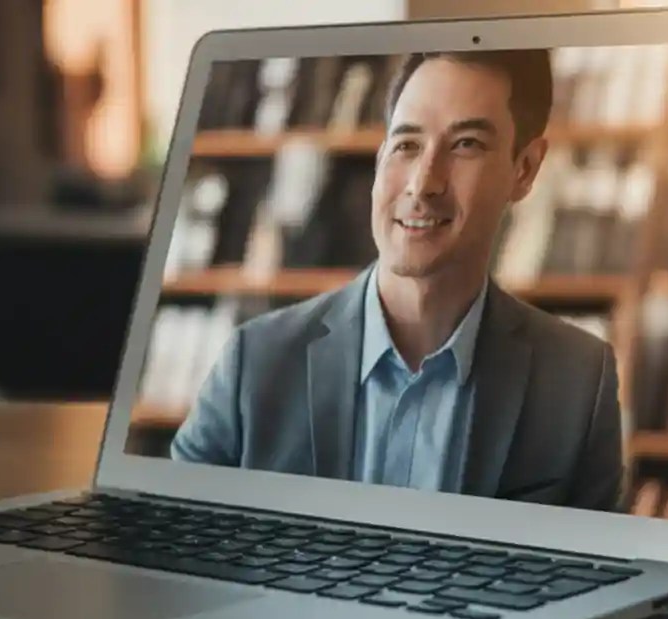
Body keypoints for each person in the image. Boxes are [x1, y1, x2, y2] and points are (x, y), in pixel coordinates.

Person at [171, 50, 625, 511]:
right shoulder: (255, 362)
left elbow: (602, 569)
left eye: (466, 144)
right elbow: (170, 544)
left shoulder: (578, 381)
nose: (424, 183)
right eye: (407, 144)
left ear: (524, 169)